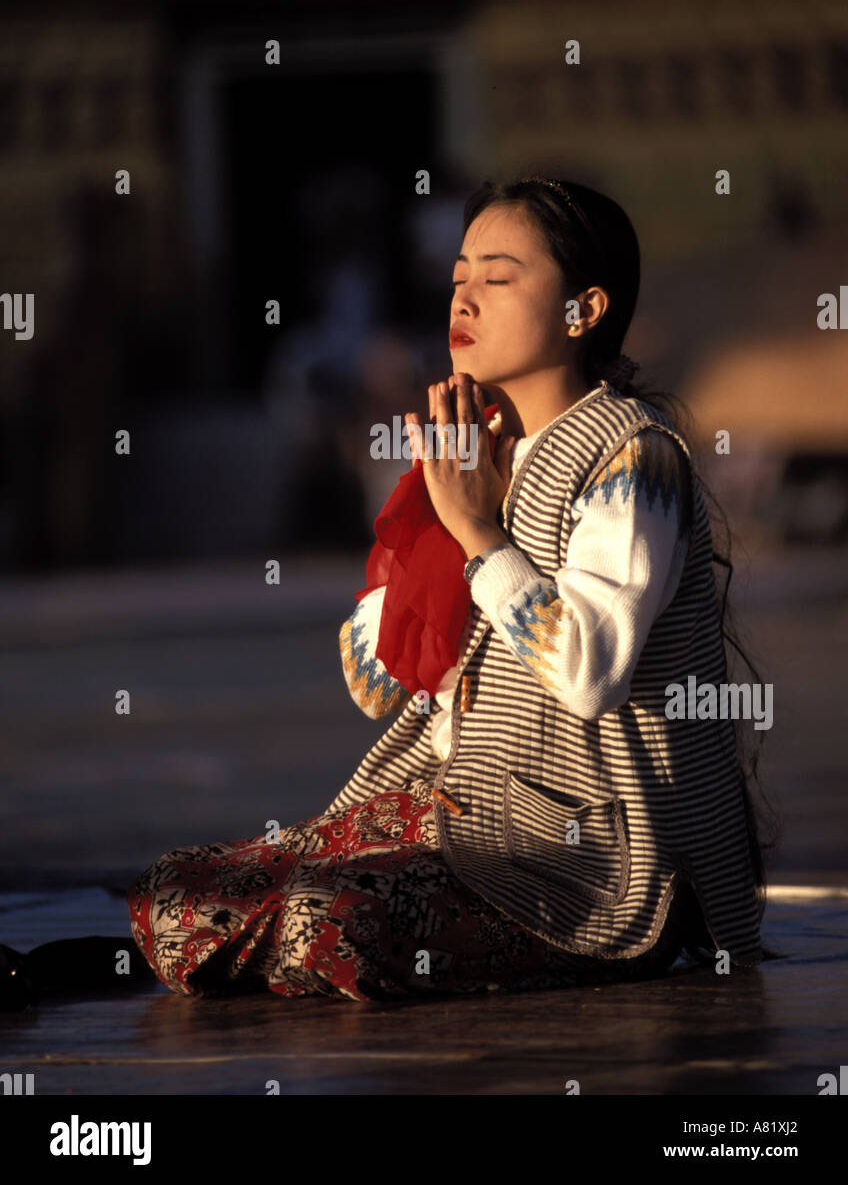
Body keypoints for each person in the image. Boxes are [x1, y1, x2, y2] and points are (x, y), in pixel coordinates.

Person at [0, 174, 776, 1009]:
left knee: (327, 919)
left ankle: (291, 952)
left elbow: (590, 671)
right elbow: (377, 684)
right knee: (174, 893)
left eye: (500, 277)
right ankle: (241, 951)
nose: (465, 299)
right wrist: (433, 524)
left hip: (595, 855)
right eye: (458, 278)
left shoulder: (633, 457)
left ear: (582, 310)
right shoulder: (472, 454)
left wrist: (479, 534)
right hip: (457, 807)